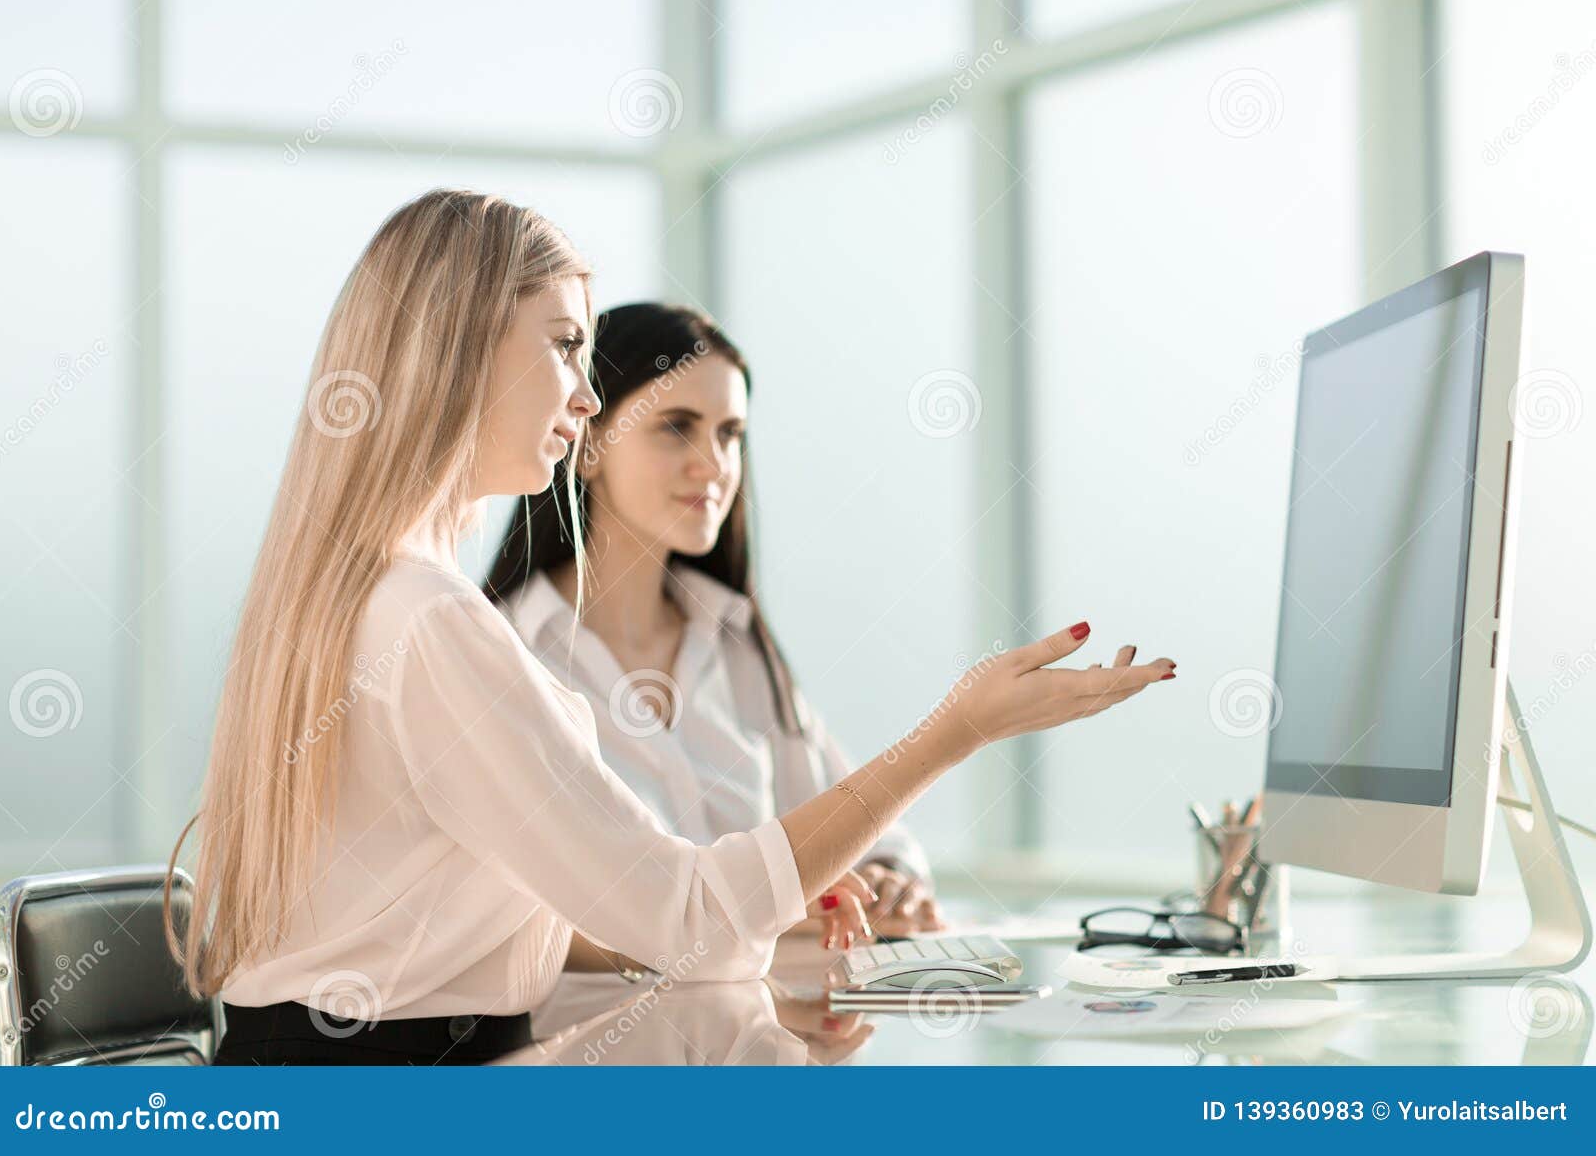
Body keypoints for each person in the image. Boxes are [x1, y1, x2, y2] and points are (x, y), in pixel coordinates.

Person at [165, 187, 1176, 1065]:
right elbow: (684, 913)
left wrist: (748, 941)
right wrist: (957, 728)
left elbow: (471, 927)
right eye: (564, 344)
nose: (585, 391)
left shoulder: (370, 598)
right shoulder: (431, 621)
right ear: (459, 346)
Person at [483, 303, 939, 946]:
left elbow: (860, 818)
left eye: (730, 434)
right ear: (588, 446)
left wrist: (890, 874)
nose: (716, 464)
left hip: (755, 1026)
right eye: (677, 427)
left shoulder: (738, 642)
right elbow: (507, 915)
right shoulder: (506, 650)